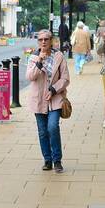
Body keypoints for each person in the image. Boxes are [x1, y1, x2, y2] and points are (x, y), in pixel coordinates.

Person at [26, 29, 70, 173]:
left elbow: (65, 78)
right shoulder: (33, 57)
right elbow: (30, 76)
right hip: (38, 99)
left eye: (46, 39)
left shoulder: (59, 56)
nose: (43, 42)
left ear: (51, 40)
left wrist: (53, 90)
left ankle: (57, 160)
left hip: (55, 98)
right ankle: (47, 160)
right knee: (43, 131)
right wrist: (39, 61)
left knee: (52, 127)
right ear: (38, 42)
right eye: (40, 40)